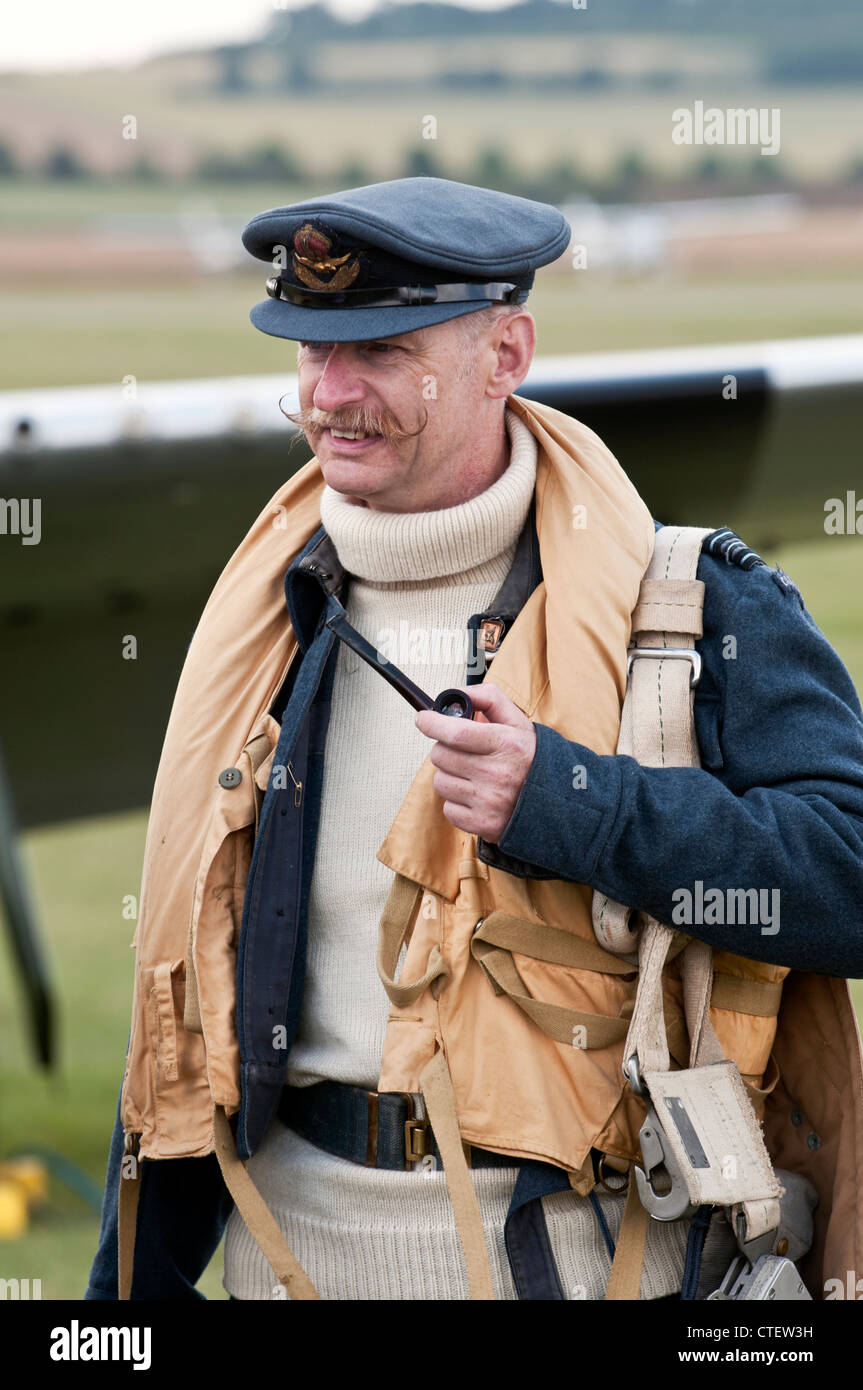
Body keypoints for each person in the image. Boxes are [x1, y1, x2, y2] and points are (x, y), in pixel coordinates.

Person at [86, 177, 863, 1302]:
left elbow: (845, 876)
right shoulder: (268, 610)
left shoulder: (694, 606)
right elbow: (190, 1022)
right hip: (283, 1258)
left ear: (507, 352)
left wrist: (570, 801)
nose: (330, 394)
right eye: (309, 348)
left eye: (384, 350)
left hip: (584, 1264)